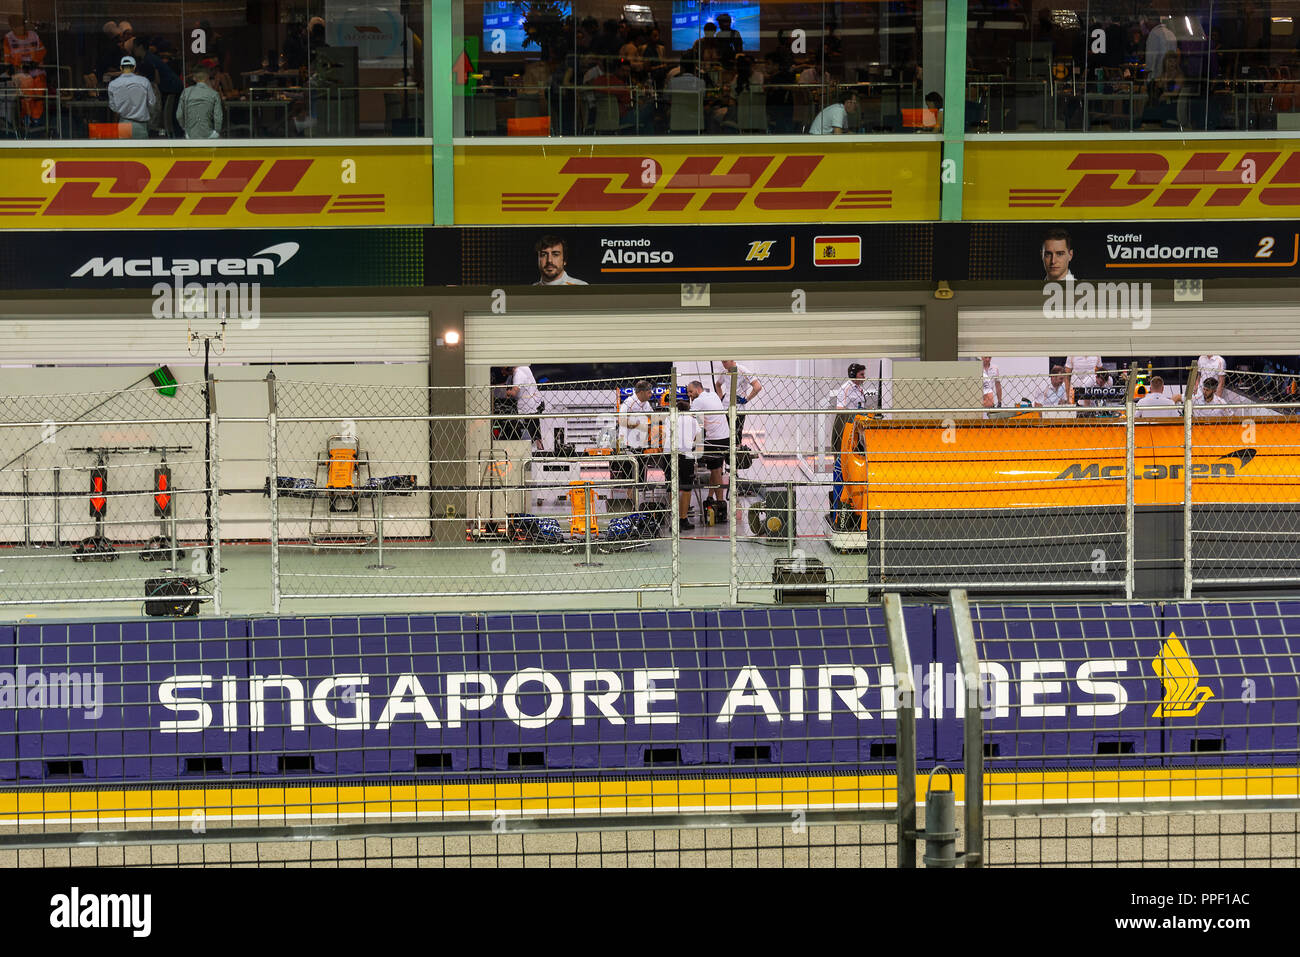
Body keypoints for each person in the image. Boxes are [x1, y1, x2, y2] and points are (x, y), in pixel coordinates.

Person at [687, 379, 729, 507]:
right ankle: (711, 497)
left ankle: (721, 502)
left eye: (690, 391)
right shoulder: (713, 395)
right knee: (716, 469)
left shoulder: (698, 401)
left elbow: (690, 419)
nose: (689, 394)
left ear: (697, 389)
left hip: (714, 439)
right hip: (725, 437)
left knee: (716, 471)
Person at [614, 379, 655, 506]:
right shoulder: (628, 403)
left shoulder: (646, 404)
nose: (651, 395)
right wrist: (636, 424)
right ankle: (631, 502)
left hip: (640, 443)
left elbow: (652, 416)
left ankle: (638, 501)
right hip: (628, 444)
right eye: (649, 392)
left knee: (640, 474)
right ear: (641, 392)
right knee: (630, 475)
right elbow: (621, 421)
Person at [108, 55, 156, 139]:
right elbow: (152, 102)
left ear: (120, 68)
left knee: (125, 151)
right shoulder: (144, 82)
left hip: (123, 124)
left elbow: (113, 107)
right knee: (142, 151)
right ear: (134, 67)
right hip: (140, 124)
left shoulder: (113, 84)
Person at [715, 360, 761, 446]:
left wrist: (746, 399)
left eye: (725, 362)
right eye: (722, 362)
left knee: (736, 440)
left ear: (732, 360)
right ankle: (728, 458)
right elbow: (718, 385)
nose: (723, 364)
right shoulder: (724, 372)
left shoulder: (742, 370)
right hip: (725, 409)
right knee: (725, 438)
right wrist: (721, 399)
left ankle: (736, 458)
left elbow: (757, 387)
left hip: (738, 410)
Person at [673, 398, 701, 530]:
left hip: (671, 454)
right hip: (686, 455)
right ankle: (683, 519)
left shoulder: (670, 419)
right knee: (686, 489)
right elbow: (697, 438)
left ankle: (673, 519)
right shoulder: (693, 420)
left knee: (671, 487)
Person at [176, 67, 223, 139]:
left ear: (194, 78)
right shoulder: (214, 94)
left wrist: (186, 129)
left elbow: (179, 115)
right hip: (209, 134)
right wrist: (216, 131)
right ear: (208, 77)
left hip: (190, 134)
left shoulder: (186, 92)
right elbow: (218, 117)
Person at [505, 365, 544, 449]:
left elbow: (514, 392)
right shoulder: (523, 368)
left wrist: (507, 392)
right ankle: (539, 448)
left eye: (502, 370)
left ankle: (532, 449)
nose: (502, 373)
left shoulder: (518, 374)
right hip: (533, 404)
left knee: (531, 430)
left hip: (529, 406)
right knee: (535, 429)